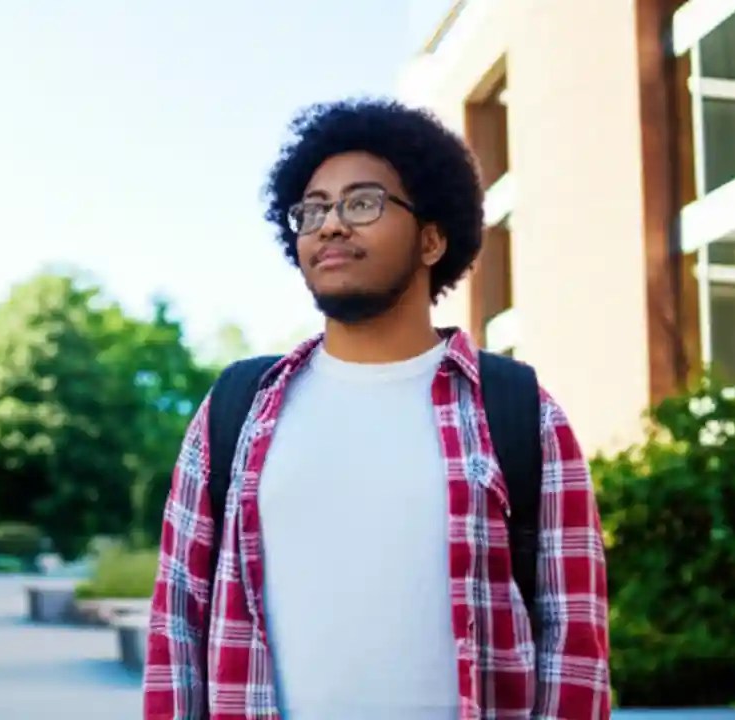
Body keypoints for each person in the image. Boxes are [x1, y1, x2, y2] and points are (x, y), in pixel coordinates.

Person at [142, 98, 610, 719]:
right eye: (312, 211)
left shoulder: (519, 413)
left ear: (432, 238)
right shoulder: (236, 411)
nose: (331, 225)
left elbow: (573, 644)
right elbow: (177, 623)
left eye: (362, 202)